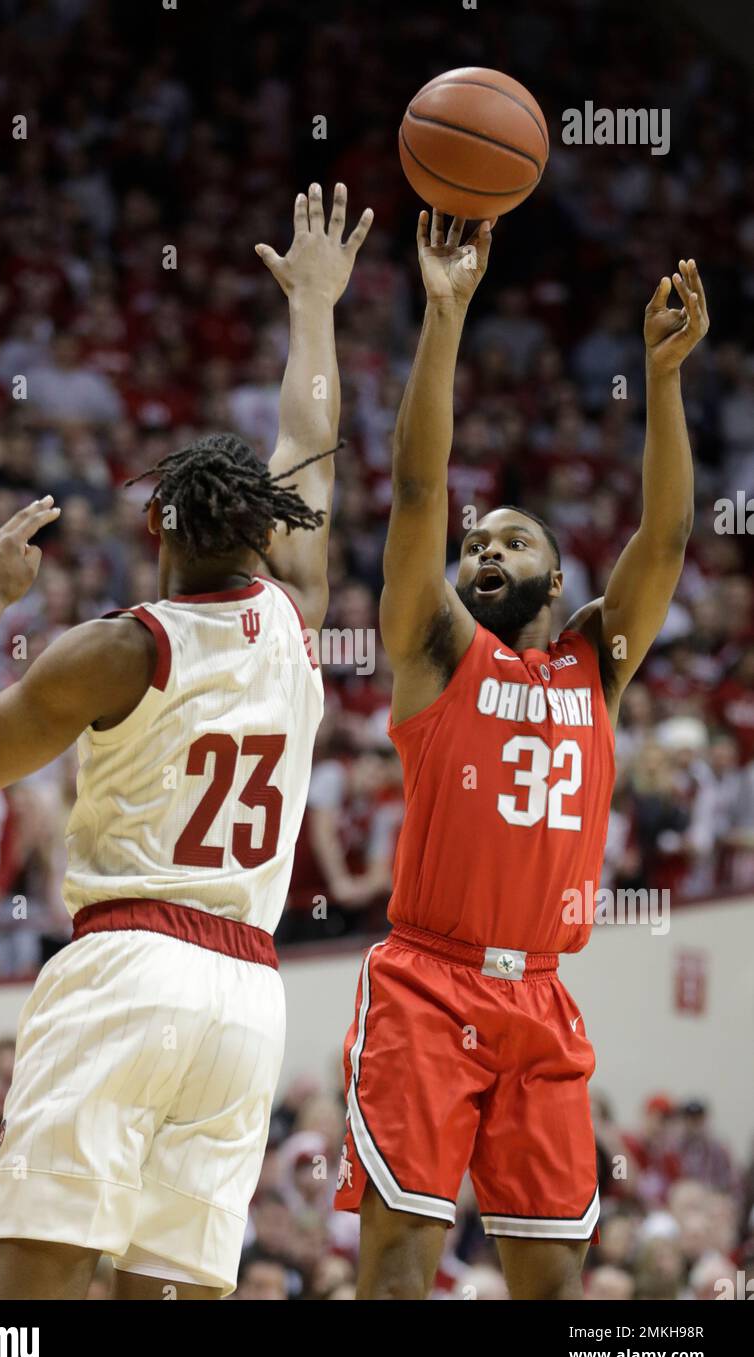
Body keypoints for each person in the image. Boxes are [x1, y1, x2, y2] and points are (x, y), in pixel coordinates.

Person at [0, 184, 373, 1300]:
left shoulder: (117, 648)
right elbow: (309, 433)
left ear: (155, 527)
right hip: (248, 998)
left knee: (24, 1289)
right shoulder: (297, 615)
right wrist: (315, 303)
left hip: (129, 962)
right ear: (270, 531)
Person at [333, 208, 709, 1300]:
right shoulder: (436, 651)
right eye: (475, 543)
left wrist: (664, 379)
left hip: (541, 995)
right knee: (399, 1255)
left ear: (558, 581)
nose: (482, 547)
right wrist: (443, 313)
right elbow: (414, 490)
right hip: (424, 981)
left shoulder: (597, 662)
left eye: (512, 539)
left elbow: (668, 538)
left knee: (553, 1274)